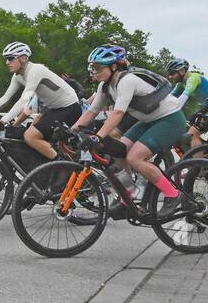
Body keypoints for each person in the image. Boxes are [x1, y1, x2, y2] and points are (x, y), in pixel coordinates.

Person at [74, 45, 190, 220]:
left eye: (97, 67)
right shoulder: (104, 86)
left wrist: (98, 137)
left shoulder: (127, 81)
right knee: (118, 151)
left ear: (114, 66)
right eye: (91, 67)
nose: (93, 71)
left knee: (134, 157)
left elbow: (118, 113)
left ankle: (173, 194)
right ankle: (128, 195)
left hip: (171, 119)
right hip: (148, 120)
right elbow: (91, 111)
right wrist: (72, 130)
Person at [0, 42, 83, 165]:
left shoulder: (36, 70)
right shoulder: (17, 76)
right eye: (6, 59)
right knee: (30, 133)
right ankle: (43, 168)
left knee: (30, 136)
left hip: (69, 107)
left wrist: (2, 122)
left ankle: (62, 167)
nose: (7, 63)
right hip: (53, 108)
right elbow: (5, 98)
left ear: (23, 58)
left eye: (10, 58)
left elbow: (25, 99)